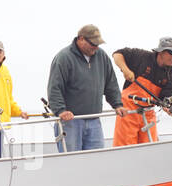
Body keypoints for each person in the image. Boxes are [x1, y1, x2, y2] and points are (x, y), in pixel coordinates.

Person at [46, 24, 128, 152]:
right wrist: (61, 111)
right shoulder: (64, 58)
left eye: (98, 44)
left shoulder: (102, 57)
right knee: (71, 162)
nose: (96, 47)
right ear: (81, 39)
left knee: (96, 160)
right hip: (70, 122)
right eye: (93, 44)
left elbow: (111, 83)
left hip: (94, 121)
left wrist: (117, 104)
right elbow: (54, 87)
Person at [112, 37, 172, 146]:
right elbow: (117, 54)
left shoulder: (170, 76)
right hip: (128, 113)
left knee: (150, 148)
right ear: (161, 51)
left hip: (148, 115)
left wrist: (168, 107)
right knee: (125, 148)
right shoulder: (141, 57)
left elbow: (168, 97)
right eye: (171, 52)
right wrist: (126, 70)